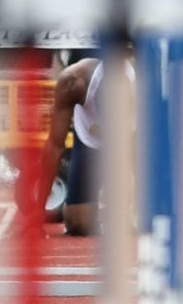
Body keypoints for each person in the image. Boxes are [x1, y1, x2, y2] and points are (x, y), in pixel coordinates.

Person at [36, 53, 135, 237]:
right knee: (79, 225)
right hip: (90, 142)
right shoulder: (74, 82)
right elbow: (54, 146)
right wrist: (35, 216)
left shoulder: (142, 86)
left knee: (138, 223)